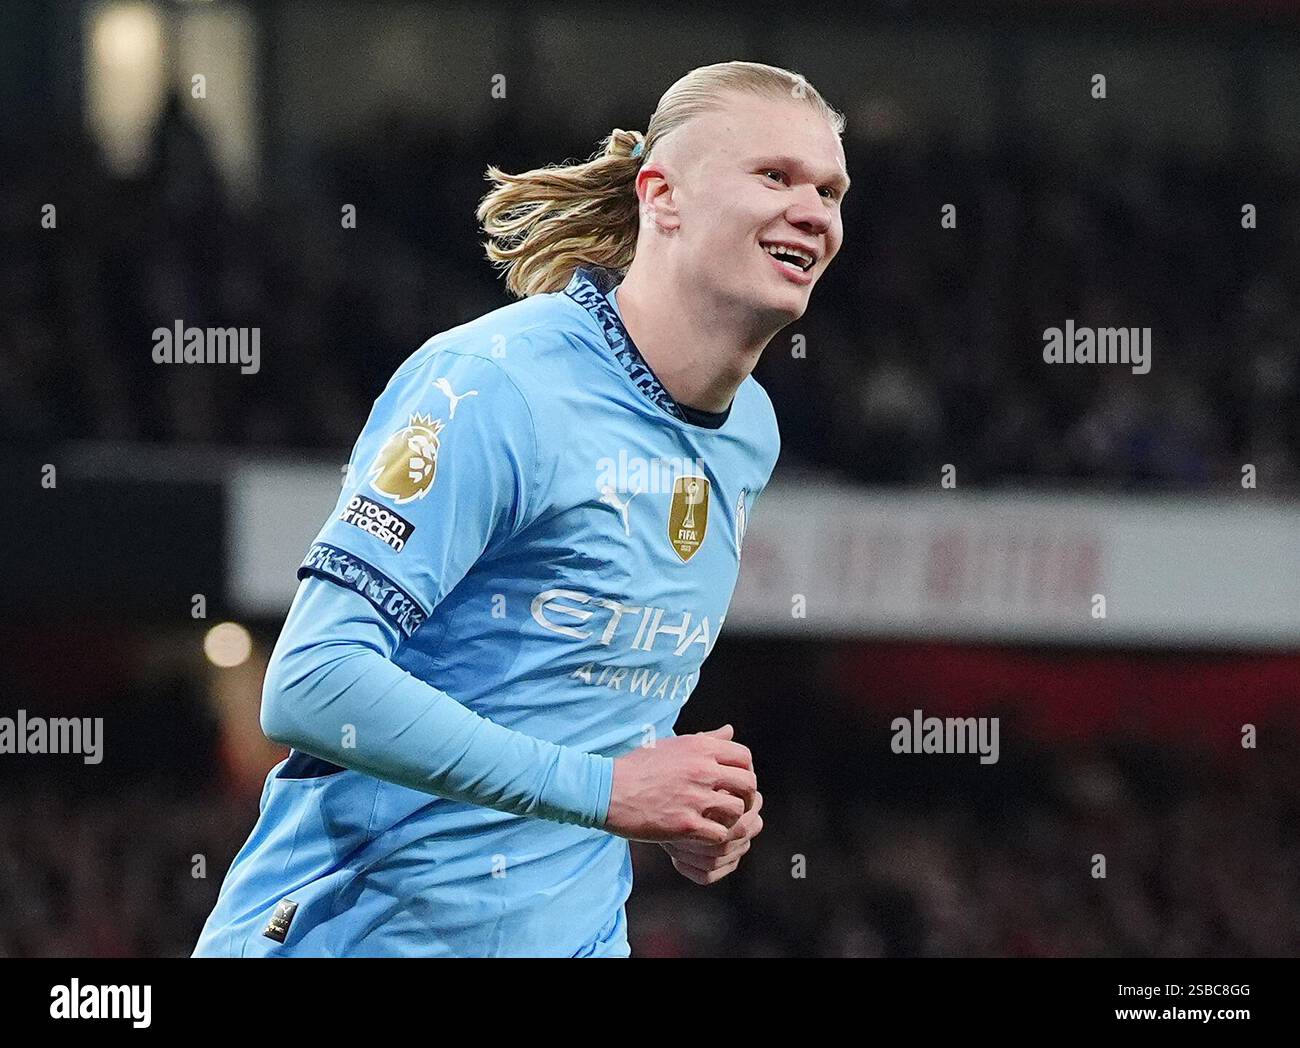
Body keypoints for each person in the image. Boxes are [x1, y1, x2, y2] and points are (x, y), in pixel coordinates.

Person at [193, 59, 849, 957]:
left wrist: (673, 801)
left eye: (831, 189)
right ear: (662, 197)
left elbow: (579, 688)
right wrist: (612, 792)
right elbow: (314, 683)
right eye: (775, 177)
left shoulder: (749, 434)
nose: (814, 210)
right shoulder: (497, 385)